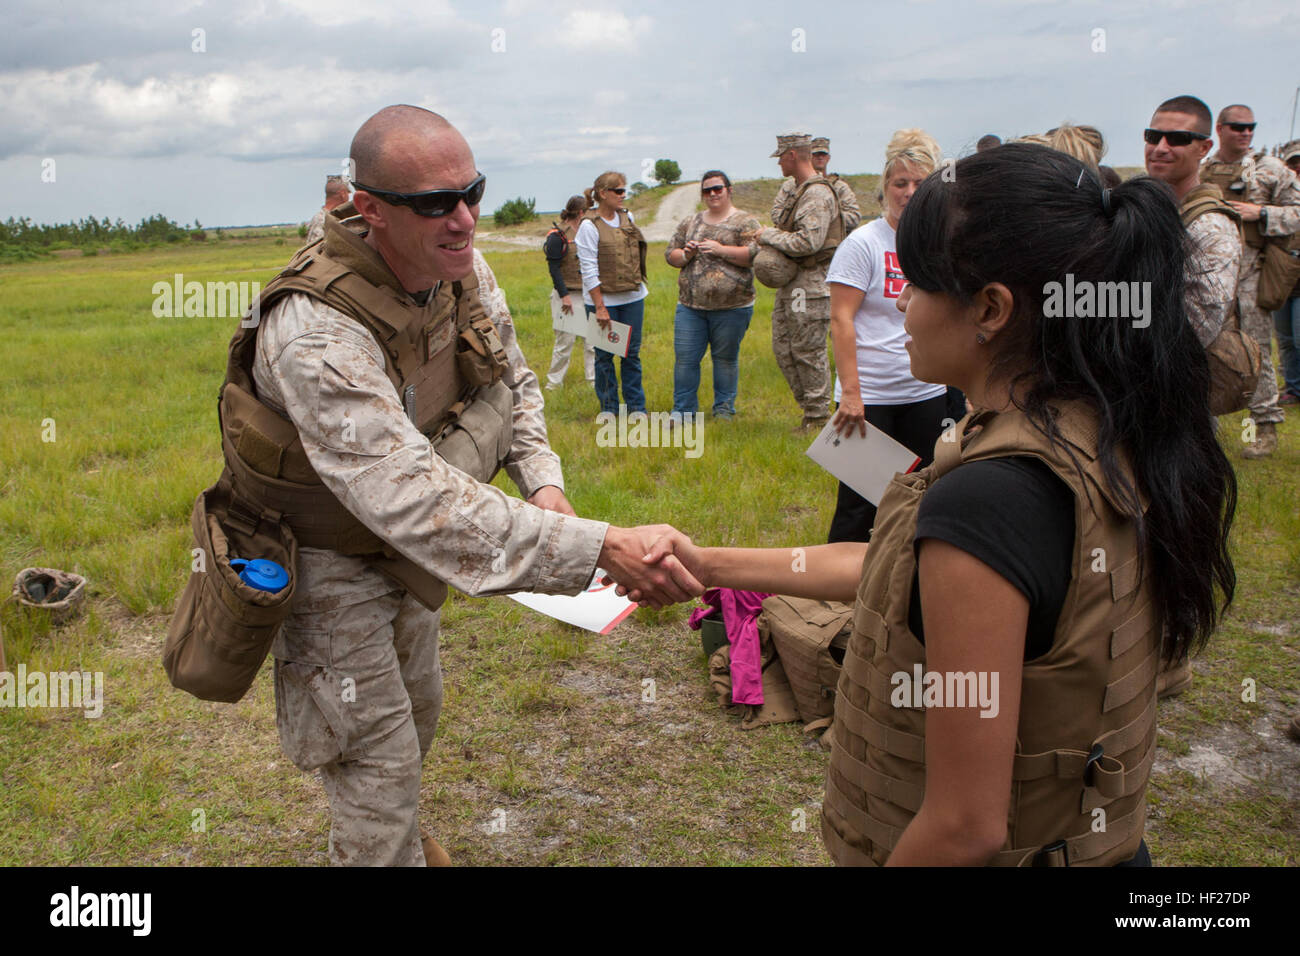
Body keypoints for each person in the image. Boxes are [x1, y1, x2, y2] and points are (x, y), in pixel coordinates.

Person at [633, 143, 1237, 866]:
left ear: (990, 309)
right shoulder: (1107, 419)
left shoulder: (990, 499)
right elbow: (893, 569)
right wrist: (709, 564)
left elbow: (964, 828)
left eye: (916, 286)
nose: (904, 308)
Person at [212, 105, 697, 866]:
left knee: (419, 711)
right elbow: (415, 498)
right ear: (369, 210)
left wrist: (542, 483)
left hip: (406, 557)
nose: (465, 218)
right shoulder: (315, 332)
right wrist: (597, 548)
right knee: (375, 759)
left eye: (472, 190)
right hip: (331, 562)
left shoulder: (459, 268)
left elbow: (510, 379)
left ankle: (399, 834)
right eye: (436, 202)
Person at [1143, 95, 1244, 698]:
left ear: (1205, 148)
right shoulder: (1149, 211)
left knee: (1177, 534)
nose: (1161, 146)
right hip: (1139, 405)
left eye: (1178, 139)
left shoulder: (1210, 228)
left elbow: (1193, 329)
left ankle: (1173, 659)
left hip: (1179, 410)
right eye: (1154, 134)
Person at [825, 128, 948, 543]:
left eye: (919, 183)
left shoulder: (937, 242)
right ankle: (831, 600)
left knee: (924, 495)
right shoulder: (863, 244)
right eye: (900, 183)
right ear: (886, 187)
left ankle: (904, 585)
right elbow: (841, 320)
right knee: (861, 504)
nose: (909, 192)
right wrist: (852, 394)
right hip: (871, 398)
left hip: (926, 393)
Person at [1202, 103, 1300, 458]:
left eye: (1250, 128)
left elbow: (1297, 214)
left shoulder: (1270, 170)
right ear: (1220, 129)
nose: (1245, 133)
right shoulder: (1204, 169)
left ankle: (1265, 428)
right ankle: (1204, 428)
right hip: (1211, 273)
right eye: (1238, 127)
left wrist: (1260, 213)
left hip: (1252, 273)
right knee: (1204, 347)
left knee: (1257, 349)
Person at [760, 133, 843, 431]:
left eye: (781, 156)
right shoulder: (795, 190)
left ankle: (819, 421)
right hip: (792, 283)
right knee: (784, 349)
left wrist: (766, 236)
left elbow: (808, 241)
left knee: (809, 352)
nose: (779, 162)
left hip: (812, 282)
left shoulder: (818, 194)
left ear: (793, 155)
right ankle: (810, 412)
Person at [664, 170, 762, 421]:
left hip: (733, 307)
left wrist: (720, 250)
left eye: (718, 188)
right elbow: (670, 255)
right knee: (685, 360)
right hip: (690, 307)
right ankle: (683, 411)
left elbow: (755, 255)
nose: (713, 194)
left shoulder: (746, 222)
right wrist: (685, 255)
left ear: (729, 190)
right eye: (707, 190)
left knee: (725, 360)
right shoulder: (691, 222)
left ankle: (724, 409)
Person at [576, 171, 649, 419]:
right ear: (603, 194)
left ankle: (636, 409)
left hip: (633, 298)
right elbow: (588, 269)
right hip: (604, 301)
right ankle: (609, 409)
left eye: (624, 191)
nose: (623, 195)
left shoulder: (629, 217)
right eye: (618, 191)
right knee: (605, 357)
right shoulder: (589, 225)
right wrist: (600, 307)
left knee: (631, 355)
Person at [542, 195, 596, 389]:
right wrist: (564, 296)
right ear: (581, 212)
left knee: (592, 342)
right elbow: (554, 269)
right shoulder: (557, 236)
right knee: (565, 342)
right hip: (567, 296)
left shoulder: (588, 232)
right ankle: (554, 384)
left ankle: (593, 381)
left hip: (588, 294)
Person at [775, 137, 863, 236]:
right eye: (816, 154)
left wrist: (823, 219)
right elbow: (776, 212)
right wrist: (801, 219)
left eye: (823, 154)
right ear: (809, 157)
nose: (820, 158)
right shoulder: (790, 186)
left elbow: (854, 216)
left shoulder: (840, 187)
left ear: (828, 158)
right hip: (794, 238)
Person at [1272, 140, 1300, 406]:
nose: (1298, 167)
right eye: (1293, 162)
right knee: (1286, 340)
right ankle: (1293, 389)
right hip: (1281, 280)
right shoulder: (1279, 195)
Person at [305, 175, 349, 244]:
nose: (348, 197)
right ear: (343, 194)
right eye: (348, 193)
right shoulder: (322, 220)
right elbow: (318, 250)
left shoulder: (329, 217)